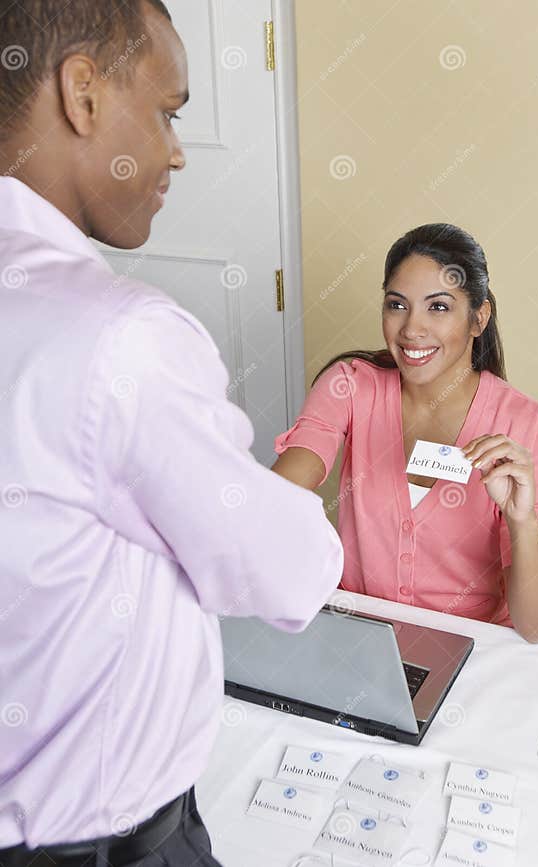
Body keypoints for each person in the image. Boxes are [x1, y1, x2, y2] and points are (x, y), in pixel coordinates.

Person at [0, 2, 344, 865]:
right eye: (168, 110)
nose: (178, 150)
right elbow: (285, 570)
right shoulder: (119, 338)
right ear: (82, 94)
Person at [272, 223, 538, 643]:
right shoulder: (350, 386)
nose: (412, 329)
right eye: (397, 305)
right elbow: (286, 485)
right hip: (363, 639)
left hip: (474, 647)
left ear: (478, 318)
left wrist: (522, 519)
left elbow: (537, 627)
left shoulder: (526, 423)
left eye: (439, 307)